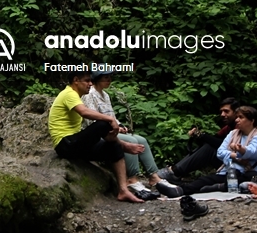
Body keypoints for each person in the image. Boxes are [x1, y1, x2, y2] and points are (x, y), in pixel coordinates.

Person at [49, 71, 145, 203]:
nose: (90, 84)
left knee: (114, 147)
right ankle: (125, 145)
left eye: (91, 81)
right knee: (102, 124)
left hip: (75, 146)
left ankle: (123, 190)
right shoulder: (69, 93)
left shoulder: (77, 96)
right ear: (76, 80)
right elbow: (84, 112)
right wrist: (110, 119)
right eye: (87, 81)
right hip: (65, 144)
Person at [80, 71, 176, 200]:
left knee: (141, 140)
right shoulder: (90, 95)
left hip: (112, 129)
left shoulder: (105, 95)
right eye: (105, 78)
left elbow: (111, 116)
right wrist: (114, 128)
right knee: (131, 140)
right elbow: (92, 120)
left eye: (110, 77)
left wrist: (120, 126)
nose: (109, 80)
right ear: (97, 79)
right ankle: (132, 179)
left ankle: (154, 176)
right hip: (101, 132)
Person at [157, 106, 257, 197]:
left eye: (241, 117)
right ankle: (181, 190)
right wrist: (234, 155)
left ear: (252, 120)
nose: (236, 120)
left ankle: (219, 186)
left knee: (241, 182)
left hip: (252, 173)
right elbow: (220, 151)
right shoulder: (233, 133)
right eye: (237, 117)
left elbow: (253, 152)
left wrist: (241, 149)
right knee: (207, 179)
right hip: (232, 171)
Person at [157, 97, 240, 183]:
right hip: (229, 161)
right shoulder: (228, 127)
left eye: (226, 111)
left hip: (237, 164)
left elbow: (223, 145)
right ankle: (174, 170)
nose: (222, 114)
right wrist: (198, 136)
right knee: (208, 145)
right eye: (221, 111)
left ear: (236, 112)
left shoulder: (240, 127)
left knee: (209, 148)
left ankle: (175, 172)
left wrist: (203, 136)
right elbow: (214, 141)